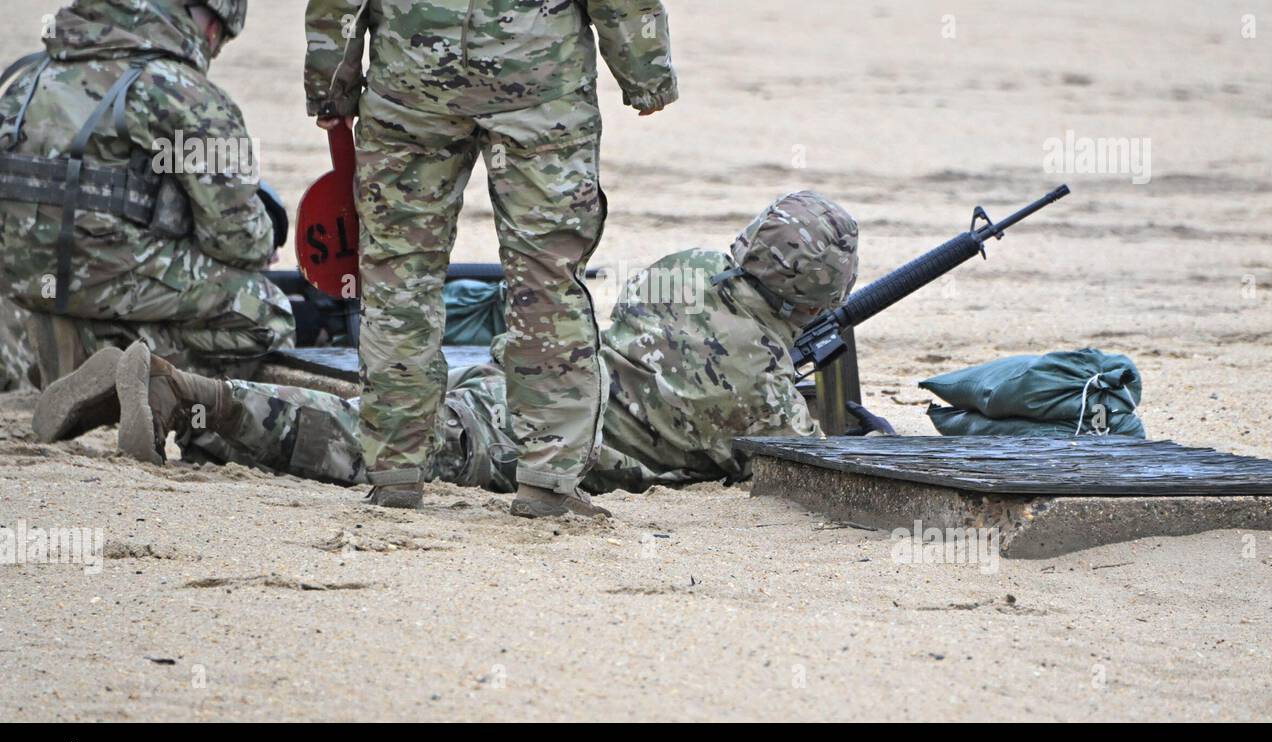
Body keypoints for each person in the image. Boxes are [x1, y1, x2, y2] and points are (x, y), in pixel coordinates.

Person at [39, 192, 894, 516]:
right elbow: (785, 463)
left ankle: (182, 398)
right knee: (363, 442)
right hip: (530, 447)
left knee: (381, 414)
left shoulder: (687, 270)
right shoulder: (760, 390)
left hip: (520, 386)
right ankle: (188, 393)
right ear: (818, 299)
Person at [303, 0, 678, 511]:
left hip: (409, 73)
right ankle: (547, 482)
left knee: (397, 274)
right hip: (539, 73)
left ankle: (395, 473)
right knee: (545, 273)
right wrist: (643, 69)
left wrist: (332, 78)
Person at [0, 0, 294, 405]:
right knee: (265, 311)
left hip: (20, 281)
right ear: (212, 26)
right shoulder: (181, 91)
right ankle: (127, 367)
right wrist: (264, 236)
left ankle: (54, 346)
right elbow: (237, 238)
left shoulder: (34, 71)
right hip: (99, 276)